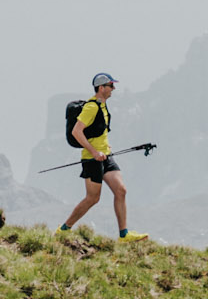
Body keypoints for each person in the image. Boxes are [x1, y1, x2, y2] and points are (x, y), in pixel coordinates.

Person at [59, 73, 148, 241]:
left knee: (121, 190)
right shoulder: (91, 107)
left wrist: (105, 148)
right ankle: (64, 229)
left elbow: (98, 132)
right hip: (92, 159)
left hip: (106, 156)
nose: (113, 89)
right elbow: (76, 132)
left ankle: (124, 235)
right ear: (101, 88)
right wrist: (94, 151)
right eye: (111, 86)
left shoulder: (102, 106)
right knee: (93, 198)